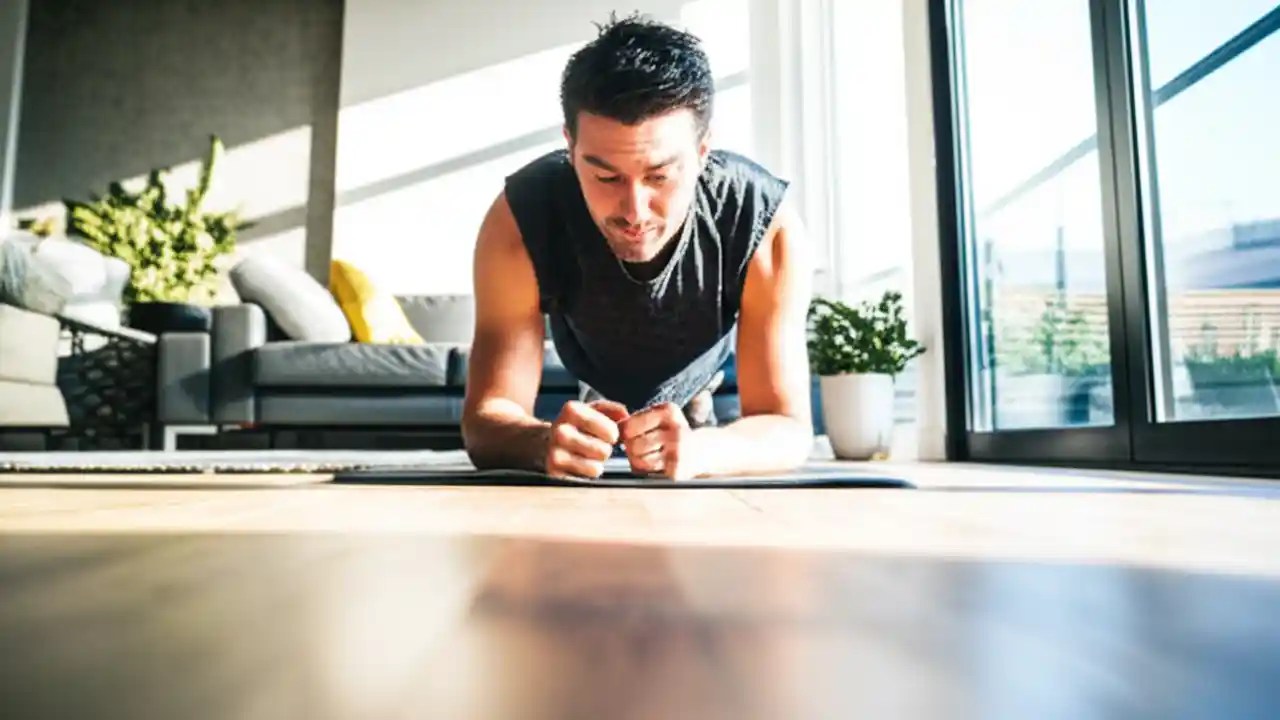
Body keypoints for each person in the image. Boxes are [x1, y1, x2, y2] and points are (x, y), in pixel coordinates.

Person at [462, 15, 813, 480]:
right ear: (570, 146)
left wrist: (705, 452)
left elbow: (787, 426)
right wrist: (540, 441)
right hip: (593, 363)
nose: (635, 211)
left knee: (695, 419)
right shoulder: (520, 217)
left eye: (660, 175)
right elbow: (487, 417)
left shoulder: (764, 220)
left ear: (703, 150)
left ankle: (693, 406)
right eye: (605, 176)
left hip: (702, 363)